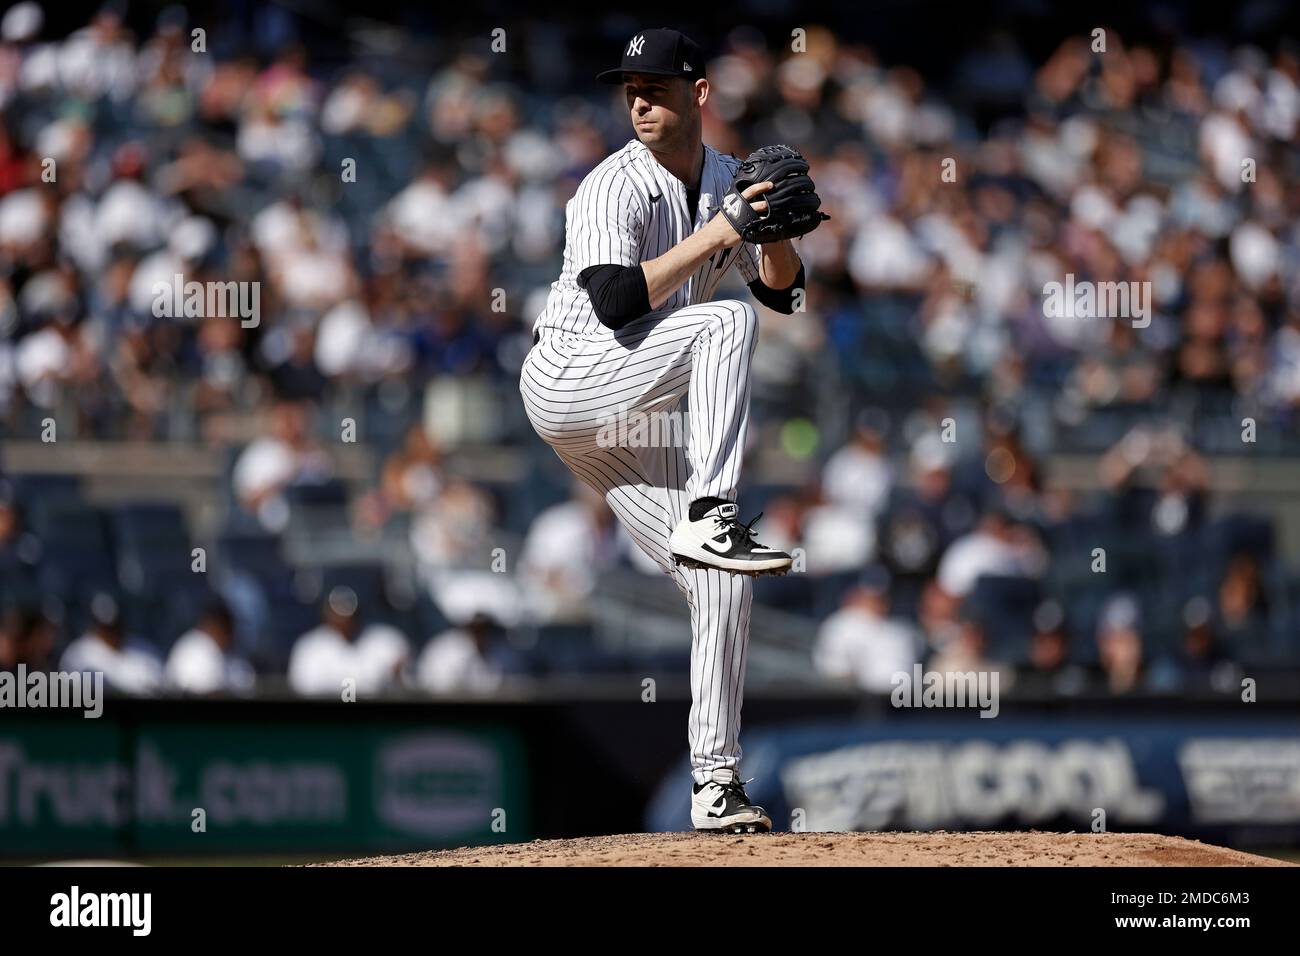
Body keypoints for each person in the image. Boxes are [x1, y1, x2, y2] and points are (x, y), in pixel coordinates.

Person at [518, 28, 824, 834]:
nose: (640, 101)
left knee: (720, 580)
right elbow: (618, 302)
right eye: (630, 88)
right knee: (721, 327)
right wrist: (725, 232)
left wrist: (772, 229)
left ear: (699, 94)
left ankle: (715, 787)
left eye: (656, 85)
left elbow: (785, 296)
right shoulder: (611, 185)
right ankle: (711, 512)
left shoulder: (728, 176)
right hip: (571, 378)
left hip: (638, 412)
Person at [165, 599, 255, 694]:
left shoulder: (226, 652)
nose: (231, 636)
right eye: (227, 631)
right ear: (216, 627)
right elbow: (212, 692)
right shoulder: (196, 651)